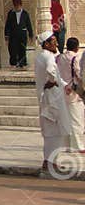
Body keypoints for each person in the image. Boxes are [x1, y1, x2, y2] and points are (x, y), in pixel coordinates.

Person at [35, 31, 71, 173]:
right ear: (47, 44)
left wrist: (63, 84)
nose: (56, 43)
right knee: (53, 132)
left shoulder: (41, 56)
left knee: (51, 131)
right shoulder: (48, 57)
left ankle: (49, 160)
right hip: (52, 99)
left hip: (48, 98)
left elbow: (55, 75)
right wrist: (53, 83)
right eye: (53, 41)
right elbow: (51, 73)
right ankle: (51, 161)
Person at [56, 37, 85, 153]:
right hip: (74, 92)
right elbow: (78, 74)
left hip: (62, 91)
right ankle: (78, 146)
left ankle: (66, 145)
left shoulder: (59, 58)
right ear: (77, 47)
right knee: (76, 119)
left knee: (65, 119)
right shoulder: (75, 57)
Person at [5, 0, 33, 70]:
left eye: (18, 5)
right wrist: (6, 35)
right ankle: (13, 64)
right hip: (13, 35)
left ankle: (22, 64)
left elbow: (28, 24)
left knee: (22, 49)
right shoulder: (11, 13)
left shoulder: (25, 13)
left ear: (21, 5)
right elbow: (7, 25)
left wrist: (31, 34)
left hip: (22, 34)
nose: (17, 7)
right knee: (12, 49)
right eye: (15, 5)